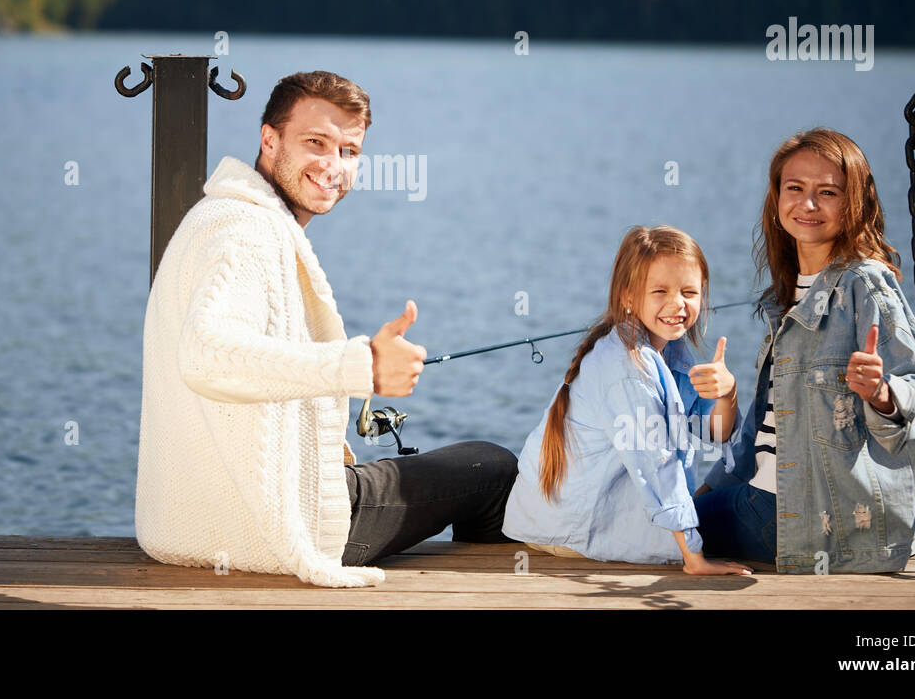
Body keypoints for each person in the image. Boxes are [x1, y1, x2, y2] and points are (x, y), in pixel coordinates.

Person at [134, 70, 517, 588]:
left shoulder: (225, 214)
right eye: (315, 143)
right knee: (491, 467)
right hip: (264, 529)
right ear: (269, 139)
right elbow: (206, 355)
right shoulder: (245, 233)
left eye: (349, 151)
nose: (332, 166)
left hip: (185, 524)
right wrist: (360, 366)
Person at [694, 128, 915, 573]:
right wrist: (705, 493)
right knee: (674, 514)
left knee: (642, 523)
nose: (807, 205)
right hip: (770, 507)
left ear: (855, 204)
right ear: (776, 197)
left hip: (803, 526)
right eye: (795, 188)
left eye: (827, 192)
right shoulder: (787, 296)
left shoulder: (864, 283)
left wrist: (882, 394)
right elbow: (765, 427)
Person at [502, 225, 751, 574]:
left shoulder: (672, 350)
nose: (677, 304)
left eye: (689, 292)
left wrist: (728, 392)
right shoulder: (626, 365)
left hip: (570, 517)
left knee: (734, 500)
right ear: (628, 297)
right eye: (660, 291)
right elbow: (657, 461)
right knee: (742, 514)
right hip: (566, 528)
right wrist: (694, 557)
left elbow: (716, 433)